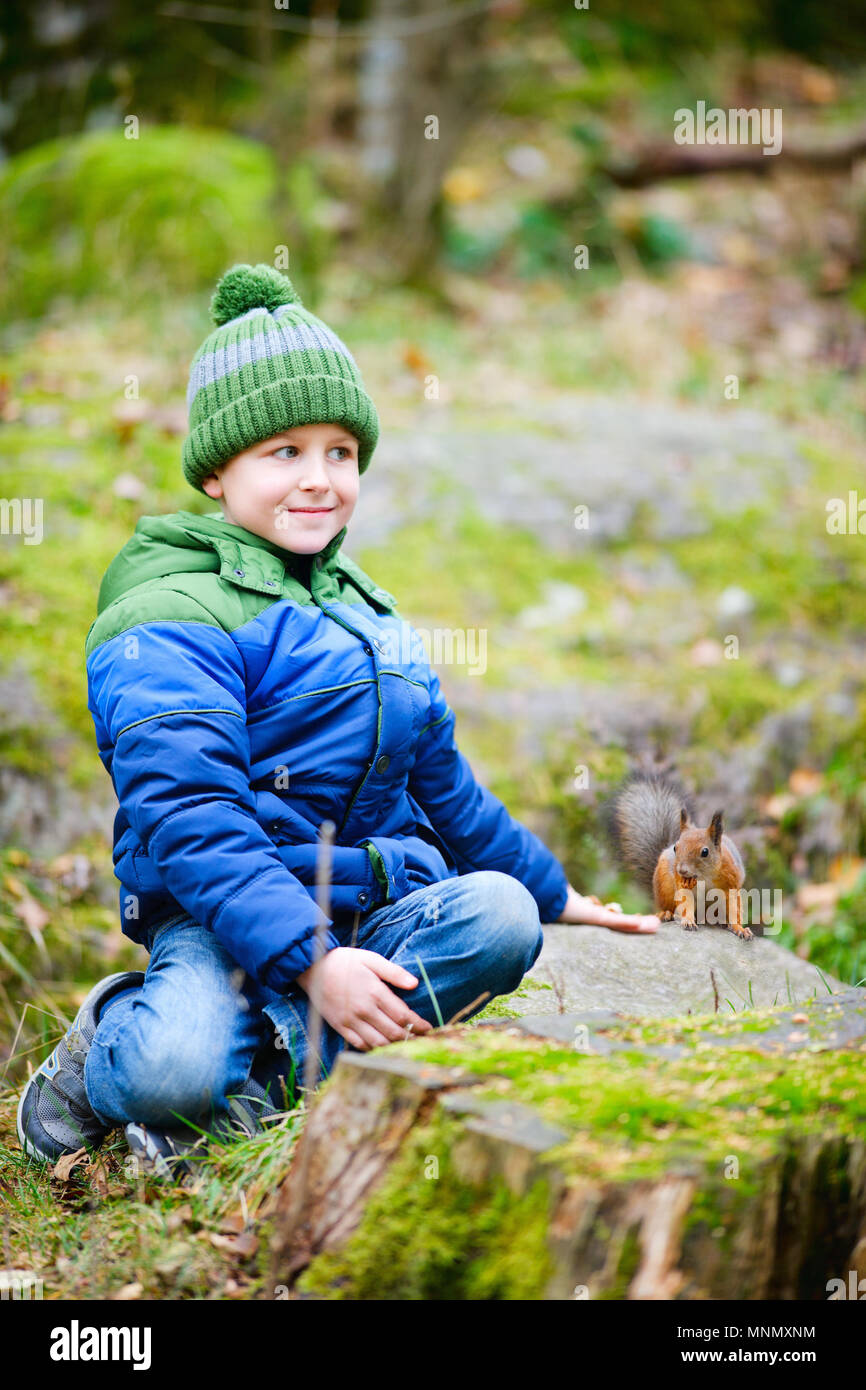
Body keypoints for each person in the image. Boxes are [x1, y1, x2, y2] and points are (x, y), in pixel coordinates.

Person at [17, 263, 659, 1177]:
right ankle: (105, 1062)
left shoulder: (368, 615)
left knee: (503, 919)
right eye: (284, 453)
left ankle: (245, 1097)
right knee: (172, 1062)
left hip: (370, 901)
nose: (319, 480)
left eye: (340, 453)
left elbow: (445, 786)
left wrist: (557, 894)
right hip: (222, 911)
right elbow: (193, 816)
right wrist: (312, 963)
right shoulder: (165, 614)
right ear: (216, 470)